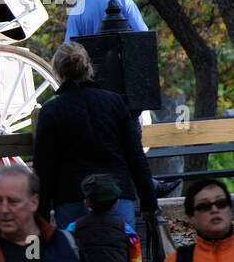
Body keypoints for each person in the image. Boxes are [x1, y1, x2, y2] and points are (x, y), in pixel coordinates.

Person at [33, 41, 157, 228]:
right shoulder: (114, 103)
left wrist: (40, 216)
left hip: (71, 198)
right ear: (88, 67)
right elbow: (135, 155)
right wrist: (149, 203)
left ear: (58, 72)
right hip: (116, 195)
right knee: (119, 253)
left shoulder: (51, 111)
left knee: (75, 254)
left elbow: (44, 168)